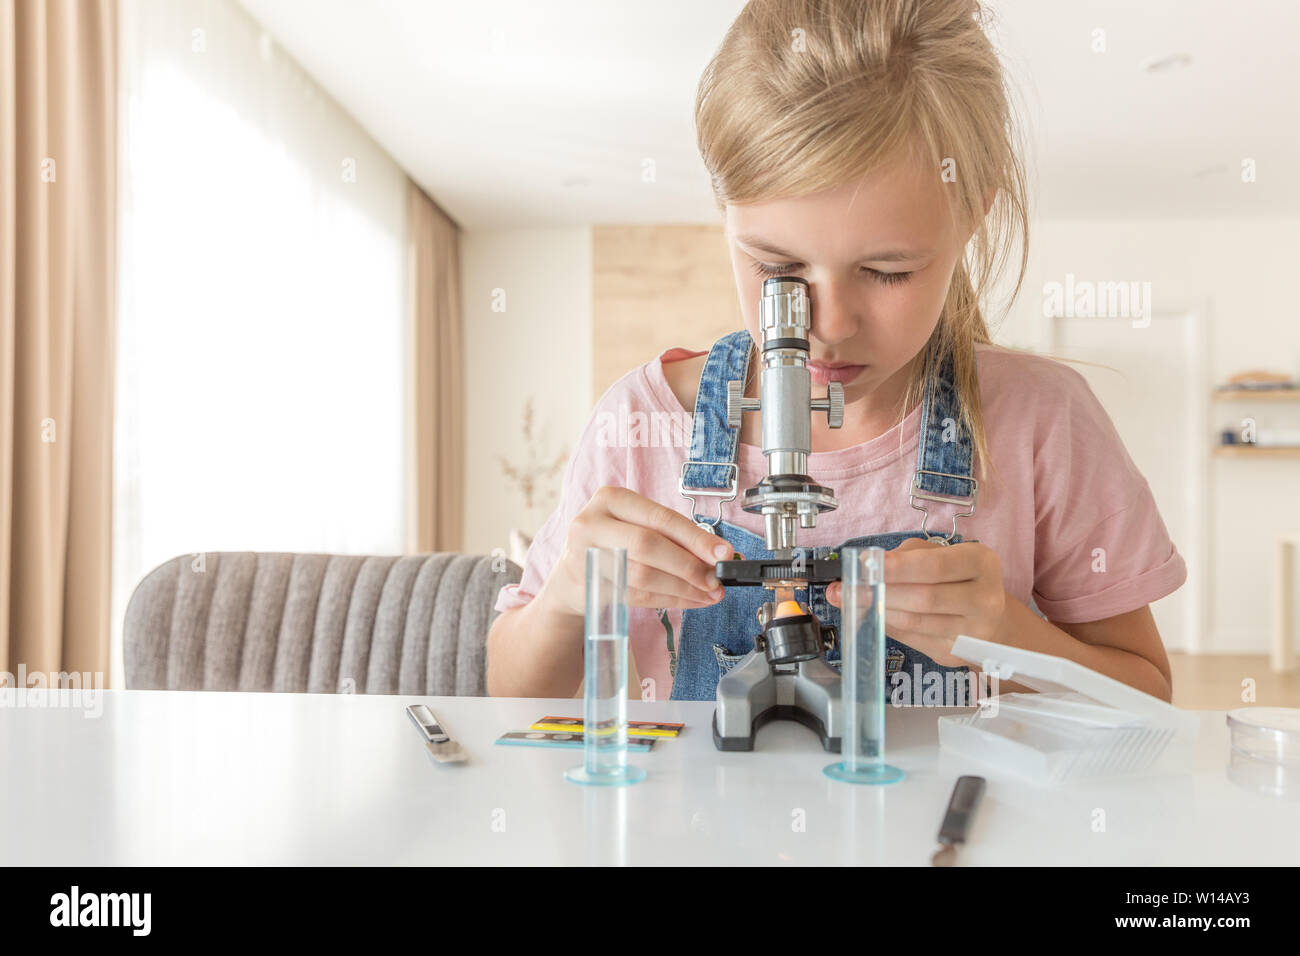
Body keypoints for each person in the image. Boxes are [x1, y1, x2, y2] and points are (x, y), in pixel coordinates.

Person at [486, 0, 1185, 705]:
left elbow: (1148, 703)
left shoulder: (1042, 422)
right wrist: (571, 594)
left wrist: (1012, 640)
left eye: (887, 271)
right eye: (777, 266)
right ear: (725, 216)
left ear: (971, 216)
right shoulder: (641, 423)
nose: (828, 324)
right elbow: (509, 693)